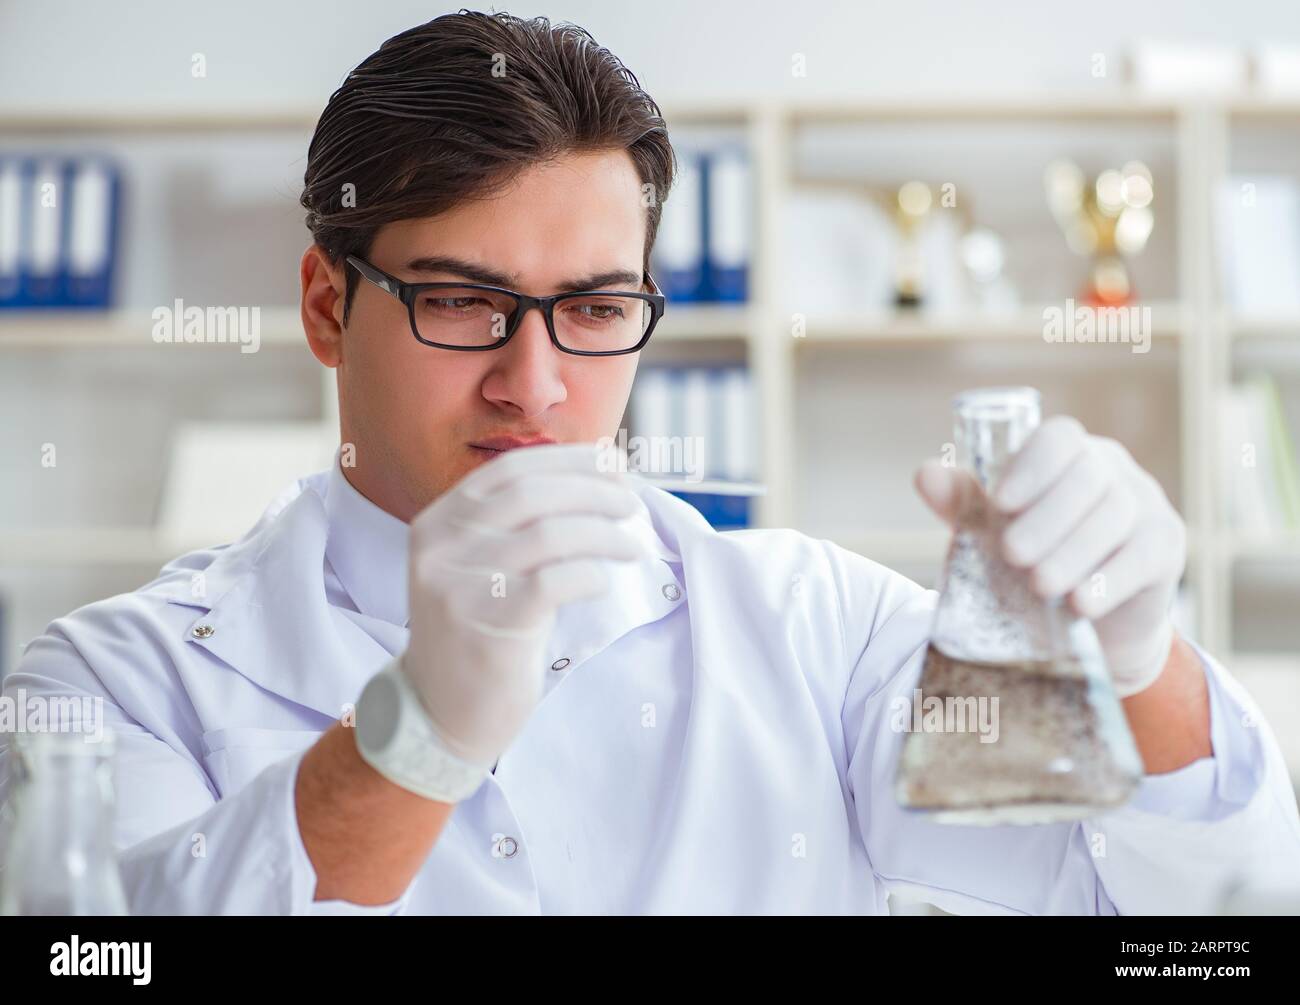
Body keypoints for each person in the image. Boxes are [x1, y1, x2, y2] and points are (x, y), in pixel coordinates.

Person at [2, 11, 1297, 916]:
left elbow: (1184, 915)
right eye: (463, 300)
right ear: (328, 305)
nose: (538, 380)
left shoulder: (812, 627)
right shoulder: (115, 679)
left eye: (596, 306)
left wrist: (1141, 662)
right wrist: (415, 734)